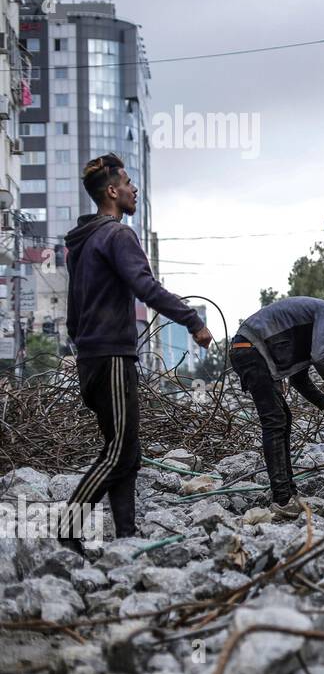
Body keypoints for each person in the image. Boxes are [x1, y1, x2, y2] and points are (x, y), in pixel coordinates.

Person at [60, 154, 214, 548]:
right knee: (120, 451)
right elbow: (147, 287)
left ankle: (126, 536)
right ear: (112, 191)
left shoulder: (83, 242)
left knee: (127, 452)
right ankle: (68, 527)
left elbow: (73, 311)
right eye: (128, 183)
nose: (134, 189)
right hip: (111, 355)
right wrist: (192, 321)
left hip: (93, 356)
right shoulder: (117, 235)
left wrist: (84, 344)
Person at [228, 296, 324, 516]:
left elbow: (299, 380)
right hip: (251, 349)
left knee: (282, 419)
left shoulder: (309, 328)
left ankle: (288, 492)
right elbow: (320, 357)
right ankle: (282, 499)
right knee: (275, 420)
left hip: (251, 350)